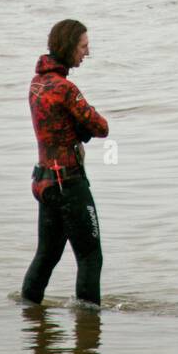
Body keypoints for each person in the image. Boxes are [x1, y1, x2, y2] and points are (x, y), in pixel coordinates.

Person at [21, 20, 108, 308]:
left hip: (44, 182)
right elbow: (101, 126)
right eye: (83, 46)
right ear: (69, 46)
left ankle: (29, 314)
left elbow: (57, 123)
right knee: (90, 257)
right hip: (69, 183)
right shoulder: (66, 89)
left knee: (46, 256)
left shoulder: (36, 84)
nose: (87, 52)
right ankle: (89, 330)